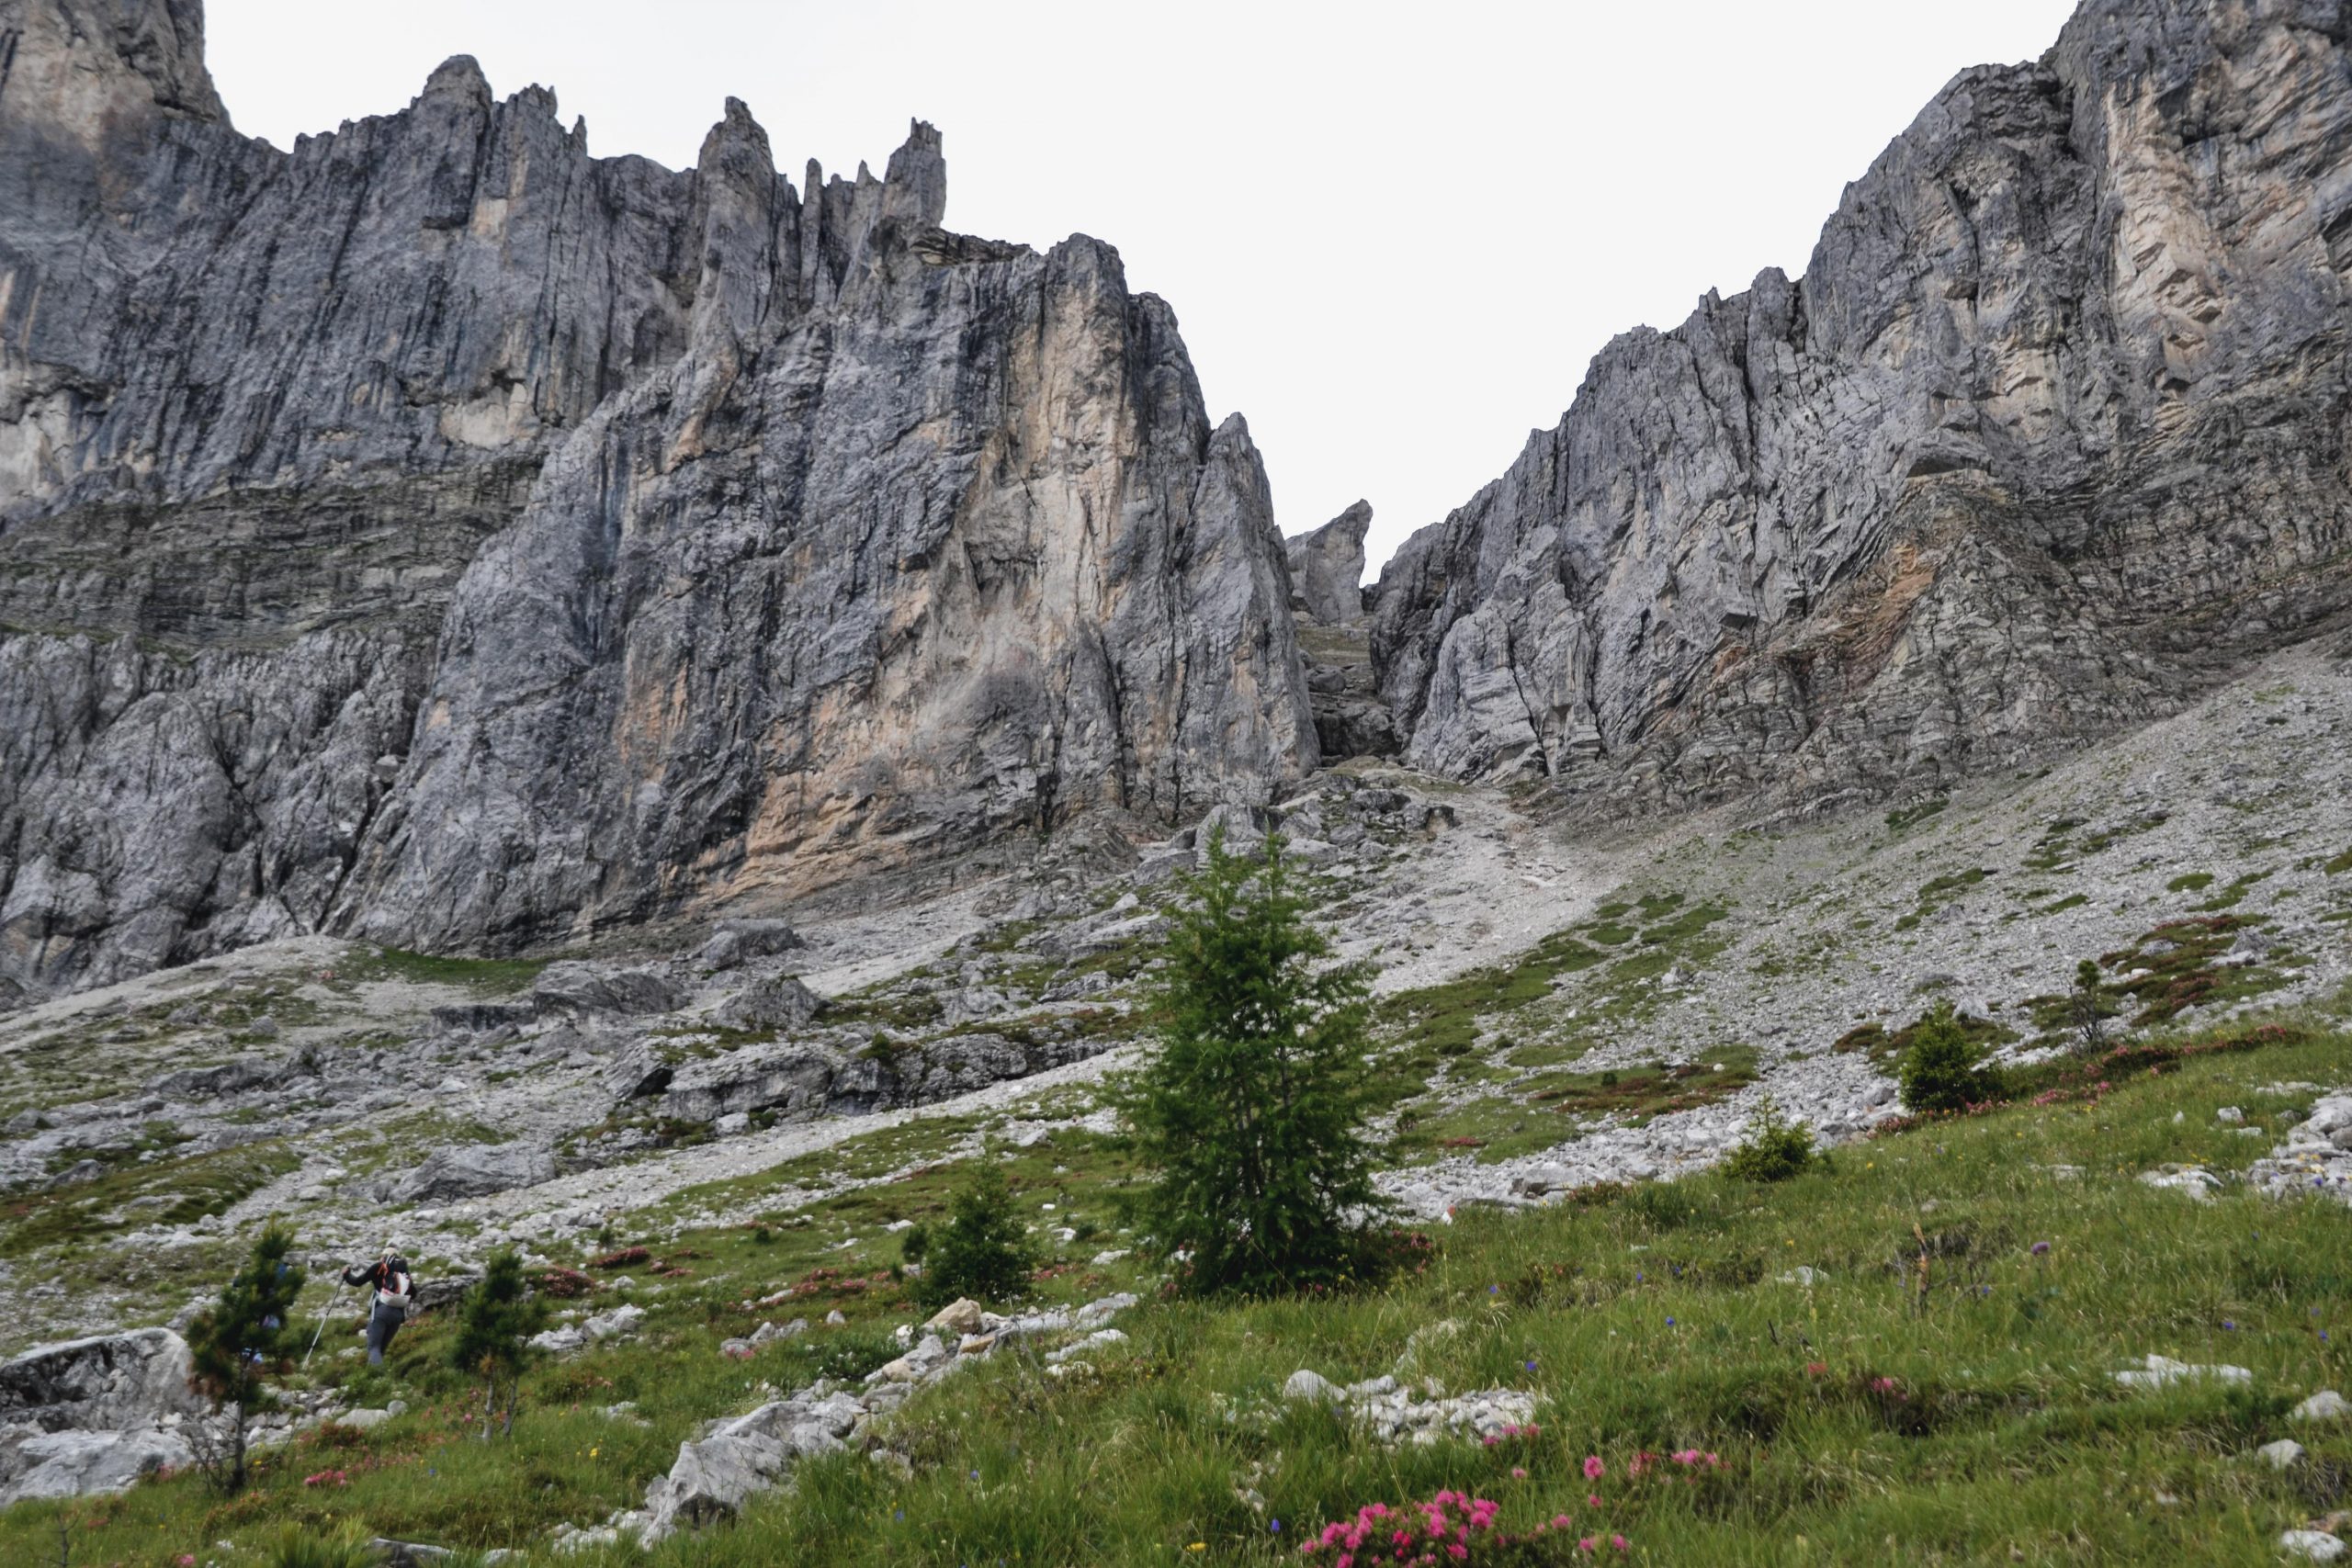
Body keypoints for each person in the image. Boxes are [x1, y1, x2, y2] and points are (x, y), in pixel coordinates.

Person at [341, 1245, 414, 1366]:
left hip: (381, 1311)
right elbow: (414, 1293)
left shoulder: (379, 1267)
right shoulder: (404, 1272)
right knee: (381, 1350)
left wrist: (346, 1274)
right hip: (398, 1315)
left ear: (384, 1256)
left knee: (373, 1348)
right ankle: (378, 1377)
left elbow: (358, 1281)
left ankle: (377, 1378)